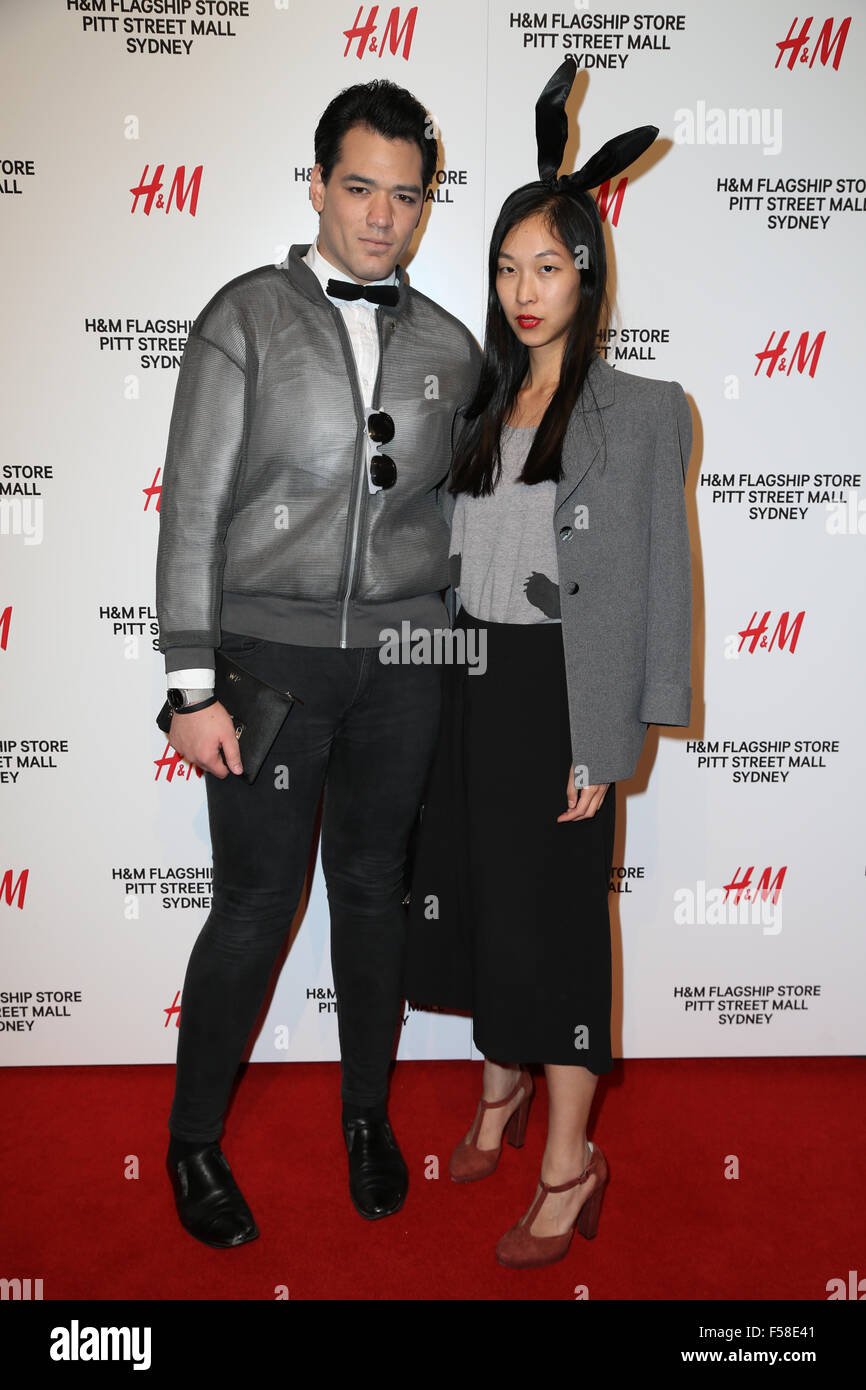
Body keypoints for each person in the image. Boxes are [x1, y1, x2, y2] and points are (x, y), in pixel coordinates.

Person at [155, 78, 480, 1246]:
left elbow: (474, 517)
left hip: (403, 667)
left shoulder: (451, 344)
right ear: (317, 187)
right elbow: (189, 508)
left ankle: (363, 1117)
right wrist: (190, 683)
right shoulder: (243, 317)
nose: (383, 218)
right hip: (267, 672)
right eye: (360, 189)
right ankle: (192, 1141)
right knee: (249, 909)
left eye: (406, 196)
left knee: (370, 895)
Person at [404, 57, 694, 1268]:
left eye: (550, 266)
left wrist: (612, 740)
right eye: (507, 268)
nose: (526, 290)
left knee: (559, 932)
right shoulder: (475, 399)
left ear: (589, 270)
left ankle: (571, 1167)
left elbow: (660, 586)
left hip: (559, 697)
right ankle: (498, 1091)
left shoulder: (642, 410)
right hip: (464, 686)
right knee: (480, 913)